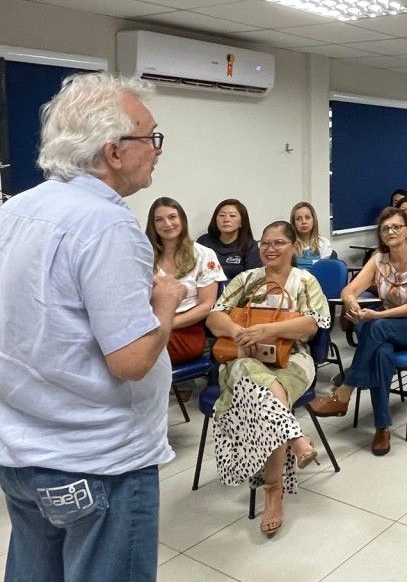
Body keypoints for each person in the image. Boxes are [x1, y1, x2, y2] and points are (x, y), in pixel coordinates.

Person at [0, 74, 186, 582]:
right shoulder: (108, 225)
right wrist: (165, 304)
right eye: (150, 137)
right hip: (98, 463)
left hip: (22, 454)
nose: (157, 150)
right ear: (114, 152)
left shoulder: (16, 211)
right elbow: (129, 361)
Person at [205, 221, 330, 537]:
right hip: (242, 356)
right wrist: (239, 332)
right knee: (254, 379)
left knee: (263, 396)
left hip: (293, 359)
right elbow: (214, 316)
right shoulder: (246, 280)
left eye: (278, 243)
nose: (270, 249)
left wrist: (271, 330)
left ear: (293, 247)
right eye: (265, 243)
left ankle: (273, 489)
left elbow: (313, 326)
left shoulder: (305, 281)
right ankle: (292, 445)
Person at [307, 208, 407, 456]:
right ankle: (381, 427)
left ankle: (345, 390)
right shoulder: (379, 259)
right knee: (381, 354)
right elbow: (349, 290)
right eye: (386, 228)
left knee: (376, 327)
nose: (391, 232)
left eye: (397, 227)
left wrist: (376, 315)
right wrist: (351, 302)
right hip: (387, 330)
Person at [146, 196, 226, 364]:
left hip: (185, 328)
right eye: (159, 220)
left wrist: (168, 323)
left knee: (135, 351)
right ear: (153, 226)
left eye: (172, 217)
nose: (167, 224)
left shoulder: (204, 254)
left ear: (182, 219)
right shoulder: (144, 255)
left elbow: (207, 305)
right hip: (149, 322)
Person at [197, 199, 261, 280]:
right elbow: (195, 272)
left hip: (239, 291)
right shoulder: (204, 242)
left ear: (242, 222)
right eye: (222, 215)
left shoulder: (250, 246)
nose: (226, 220)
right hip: (208, 290)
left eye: (232, 216)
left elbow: (252, 279)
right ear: (215, 220)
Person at [290, 201, 334, 271]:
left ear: (313, 220)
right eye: (298, 219)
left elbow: (324, 272)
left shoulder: (323, 243)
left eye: (307, 217)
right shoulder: (289, 245)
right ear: (294, 223)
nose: (304, 222)